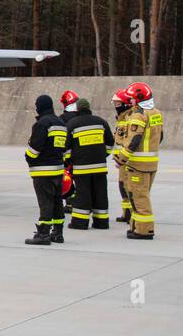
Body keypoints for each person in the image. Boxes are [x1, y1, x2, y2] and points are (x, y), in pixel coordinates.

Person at [114, 82, 162, 240]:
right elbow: (160, 137)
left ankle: (144, 230)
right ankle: (136, 226)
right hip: (151, 163)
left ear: (139, 99)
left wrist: (120, 159)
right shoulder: (156, 113)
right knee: (141, 195)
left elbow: (134, 140)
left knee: (138, 197)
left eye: (132, 99)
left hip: (138, 165)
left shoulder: (138, 115)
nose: (130, 102)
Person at [24, 94, 69, 245]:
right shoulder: (61, 123)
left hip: (43, 171)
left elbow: (34, 149)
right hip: (58, 170)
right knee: (57, 202)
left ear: (40, 106)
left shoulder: (42, 124)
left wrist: (28, 157)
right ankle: (58, 233)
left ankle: (43, 234)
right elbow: (64, 149)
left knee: (45, 203)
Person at [64, 97, 113, 231]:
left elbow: (66, 147)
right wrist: (103, 155)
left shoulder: (72, 124)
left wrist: (69, 161)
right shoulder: (101, 122)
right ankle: (101, 222)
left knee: (83, 195)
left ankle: (79, 223)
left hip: (81, 168)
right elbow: (110, 143)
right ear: (89, 108)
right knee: (100, 194)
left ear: (78, 109)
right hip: (100, 167)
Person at [111, 88, 135, 223]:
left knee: (128, 186)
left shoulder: (130, 117)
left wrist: (122, 157)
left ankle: (131, 213)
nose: (116, 107)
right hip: (121, 159)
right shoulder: (121, 117)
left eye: (118, 104)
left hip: (127, 159)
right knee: (122, 185)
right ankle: (126, 212)